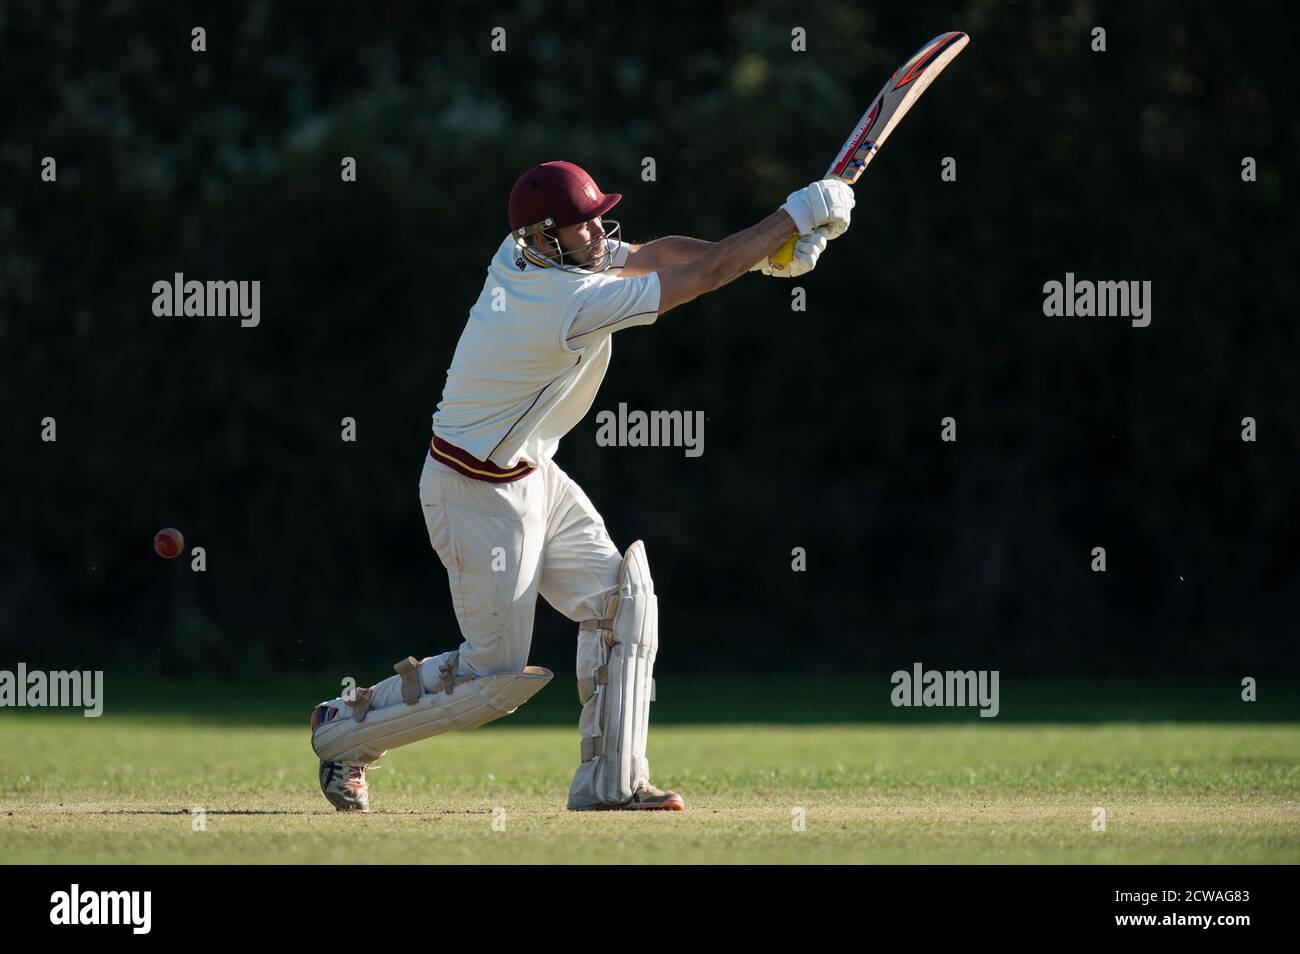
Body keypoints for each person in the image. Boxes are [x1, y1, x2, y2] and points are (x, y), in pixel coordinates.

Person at [309, 160, 853, 812]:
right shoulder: (564, 305)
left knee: (621, 602)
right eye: (582, 224)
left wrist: (770, 256)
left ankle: (611, 783)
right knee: (492, 678)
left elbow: (655, 256)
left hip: (532, 469)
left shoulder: (540, 258)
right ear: (541, 238)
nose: (598, 232)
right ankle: (342, 731)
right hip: (474, 494)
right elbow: (702, 277)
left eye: (597, 218)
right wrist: (790, 218)